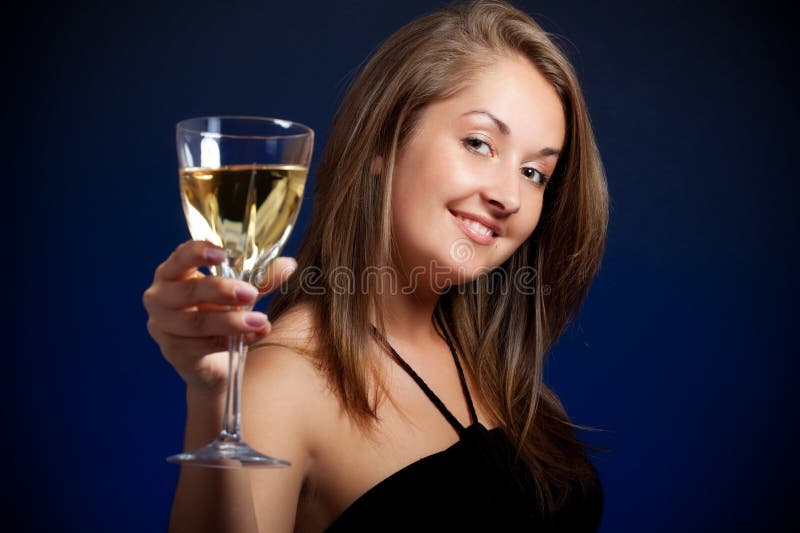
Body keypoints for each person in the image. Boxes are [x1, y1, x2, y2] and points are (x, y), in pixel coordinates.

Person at [143, 0, 609, 531]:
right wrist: (210, 397)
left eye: (534, 172)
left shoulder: (490, 364)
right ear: (384, 141)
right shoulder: (285, 379)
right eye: (478, 143)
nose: (508, 195)